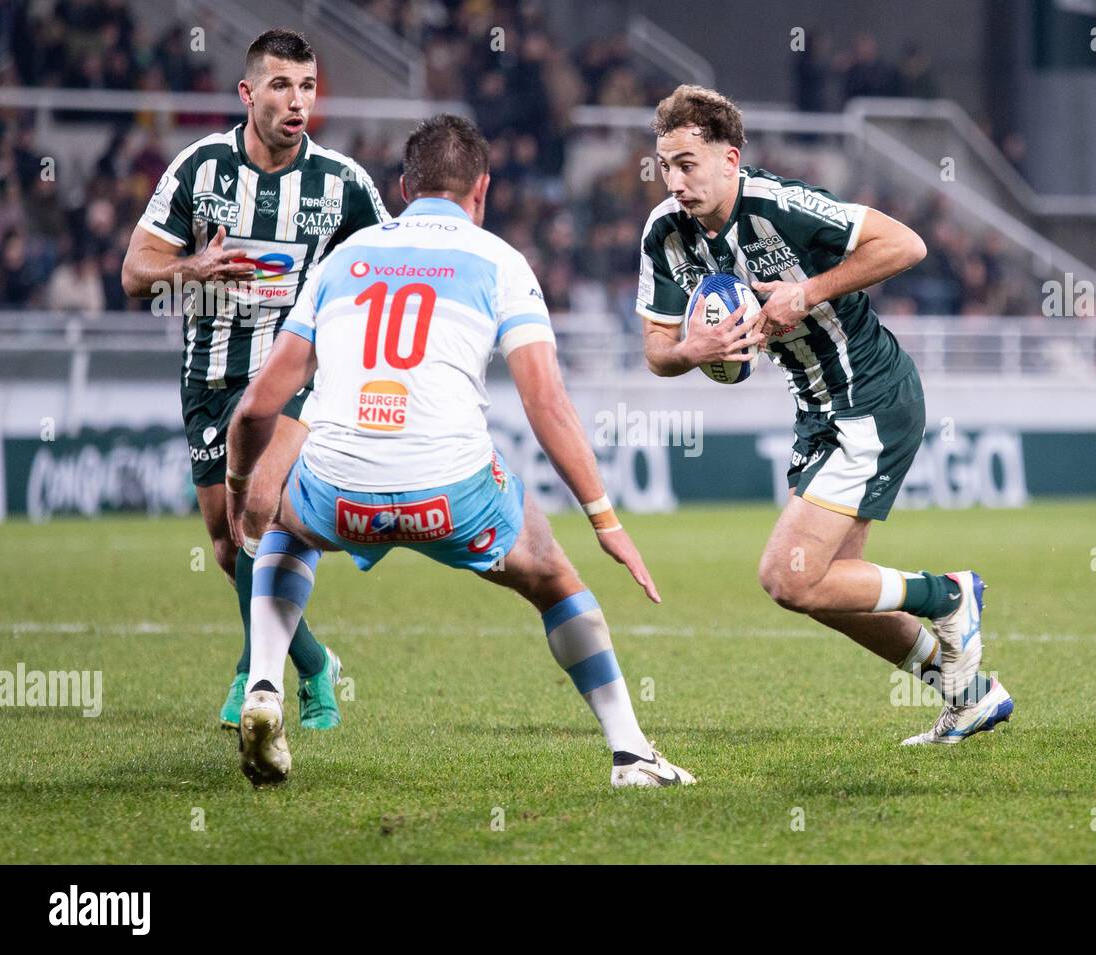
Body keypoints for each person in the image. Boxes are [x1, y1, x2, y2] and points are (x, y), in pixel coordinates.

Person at [224, 114, 695, 788]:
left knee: (283, 528)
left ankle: (265, 686)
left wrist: (243, 490)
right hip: (449, 489)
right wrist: (606, 522)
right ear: (482, 190)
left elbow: (257, 408)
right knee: (553, 575)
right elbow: (547, 406)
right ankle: (630, 753)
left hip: (339, 488)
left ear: (403, 188)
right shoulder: (499, 260)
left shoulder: (344, 258)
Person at [637, 85, 1013, 745]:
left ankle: (949, 596)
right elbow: (657, 352)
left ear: (730, 159)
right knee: (835, 593)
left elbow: (907, 245)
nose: (674, 180)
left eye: (688, 163)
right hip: (815, 411)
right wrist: (693, 350)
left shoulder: (780, 206)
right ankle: (970, 695)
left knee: (788, 577)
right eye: (665, 163)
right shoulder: (665, 232)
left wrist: (807, 291)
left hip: (870, 396)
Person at [121, 30, 390, 731]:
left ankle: (255, 679)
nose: (297, 101)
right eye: (280, 86)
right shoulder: (200, 169)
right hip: (209, 375)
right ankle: (313, 662)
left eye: (306, 86)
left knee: (259, 511)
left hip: (293, 374)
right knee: (226, 541)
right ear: (247, 93)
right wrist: (187, 271)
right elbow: (132, 273)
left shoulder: (340, 182)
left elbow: (386, 267)